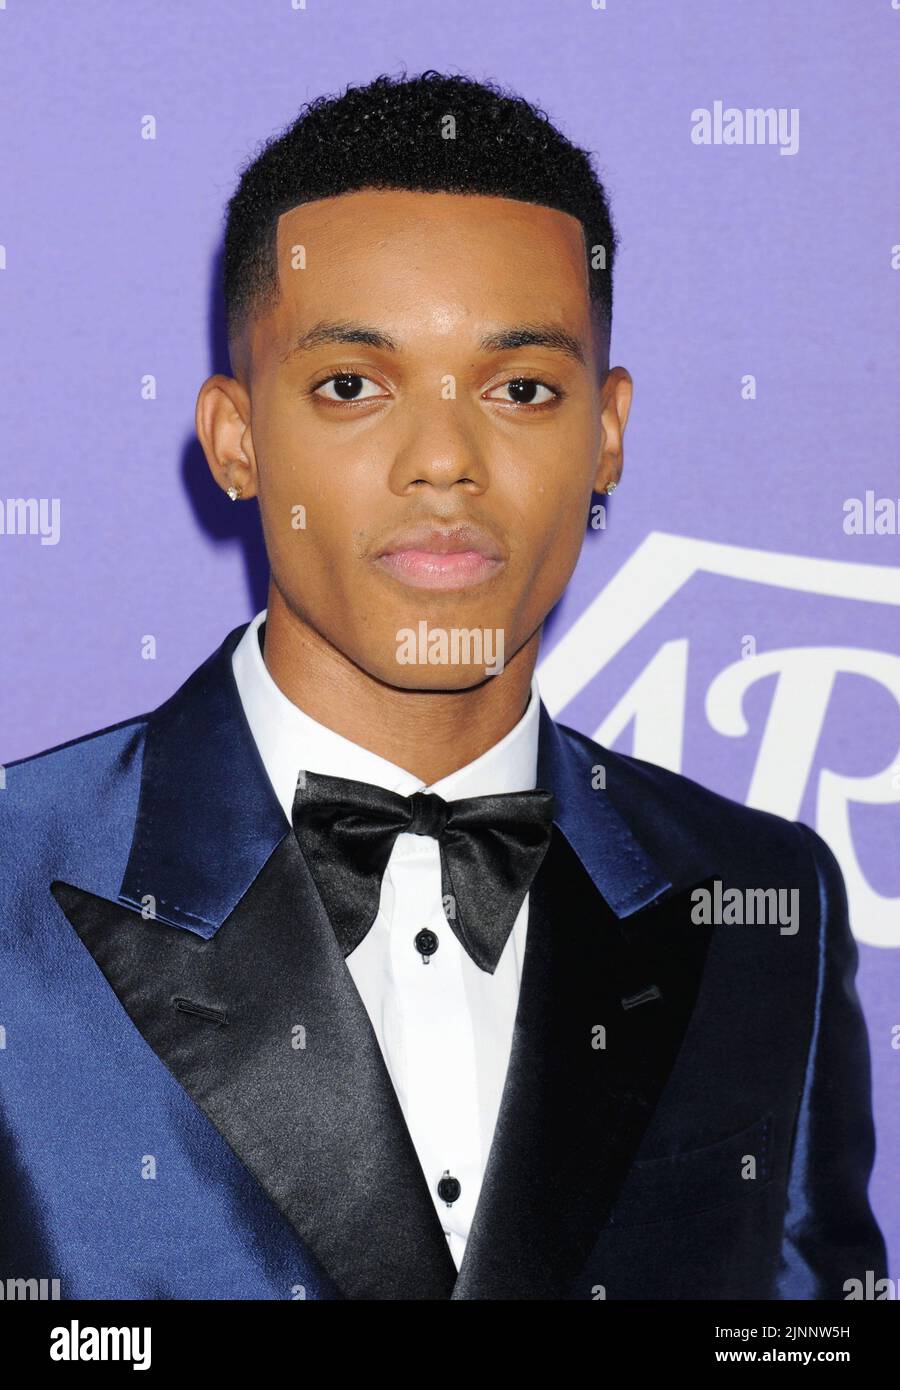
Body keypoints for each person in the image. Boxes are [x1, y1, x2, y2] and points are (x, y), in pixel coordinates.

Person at [0, 71, 886, 1300]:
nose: (443, 462)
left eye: (520, 388)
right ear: (235, 437)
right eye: (353, 386)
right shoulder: (12, 882)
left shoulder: (761, 900)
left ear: (607, 432)